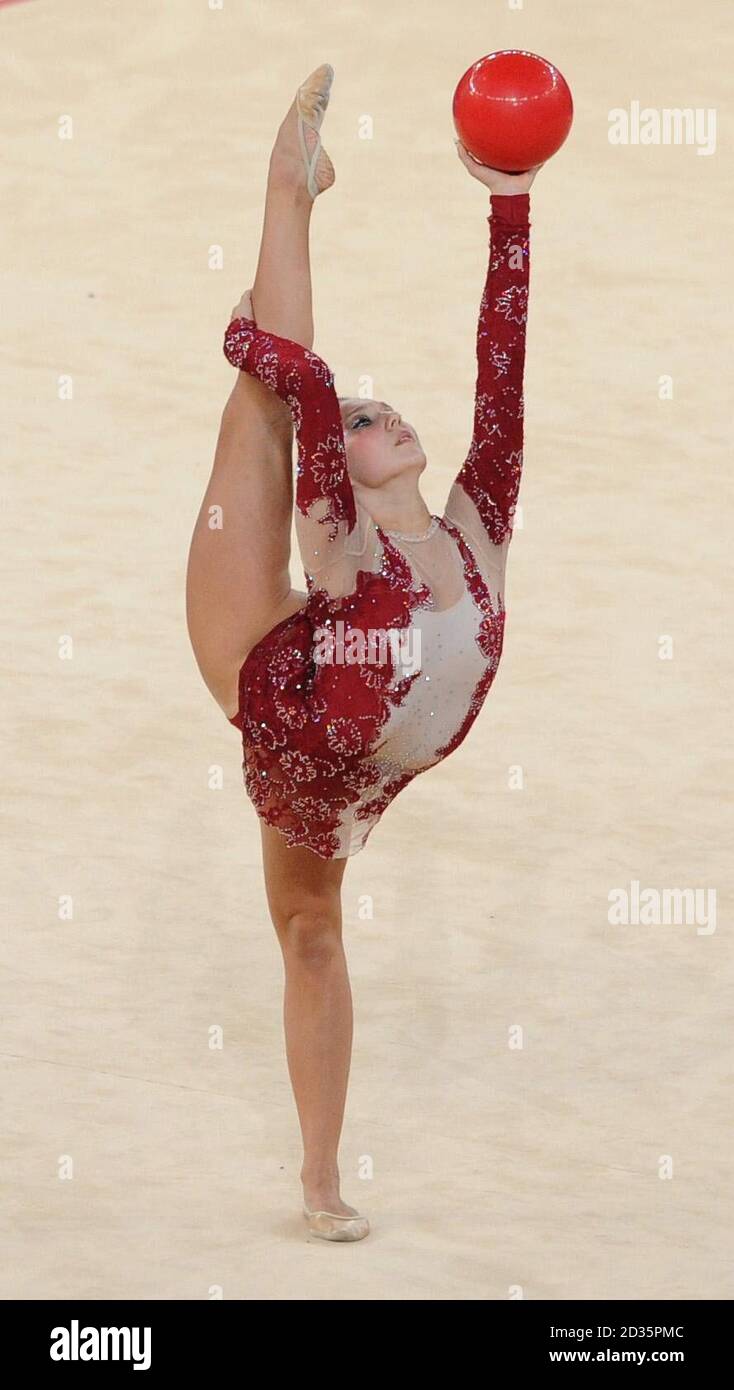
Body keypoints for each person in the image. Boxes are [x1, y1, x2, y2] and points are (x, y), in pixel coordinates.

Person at [186, 64, 541, 1240]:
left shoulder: (479, 528)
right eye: (357, 424)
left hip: (355, 769)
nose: (376, 420)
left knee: (313, 936)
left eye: (386, 414)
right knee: (309, 935)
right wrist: (270, 357)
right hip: (265, 675)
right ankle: (286, 188)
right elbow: (309, 389)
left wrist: (510, 202)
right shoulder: (335, 533)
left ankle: (317, 1176)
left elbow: (500, 370)